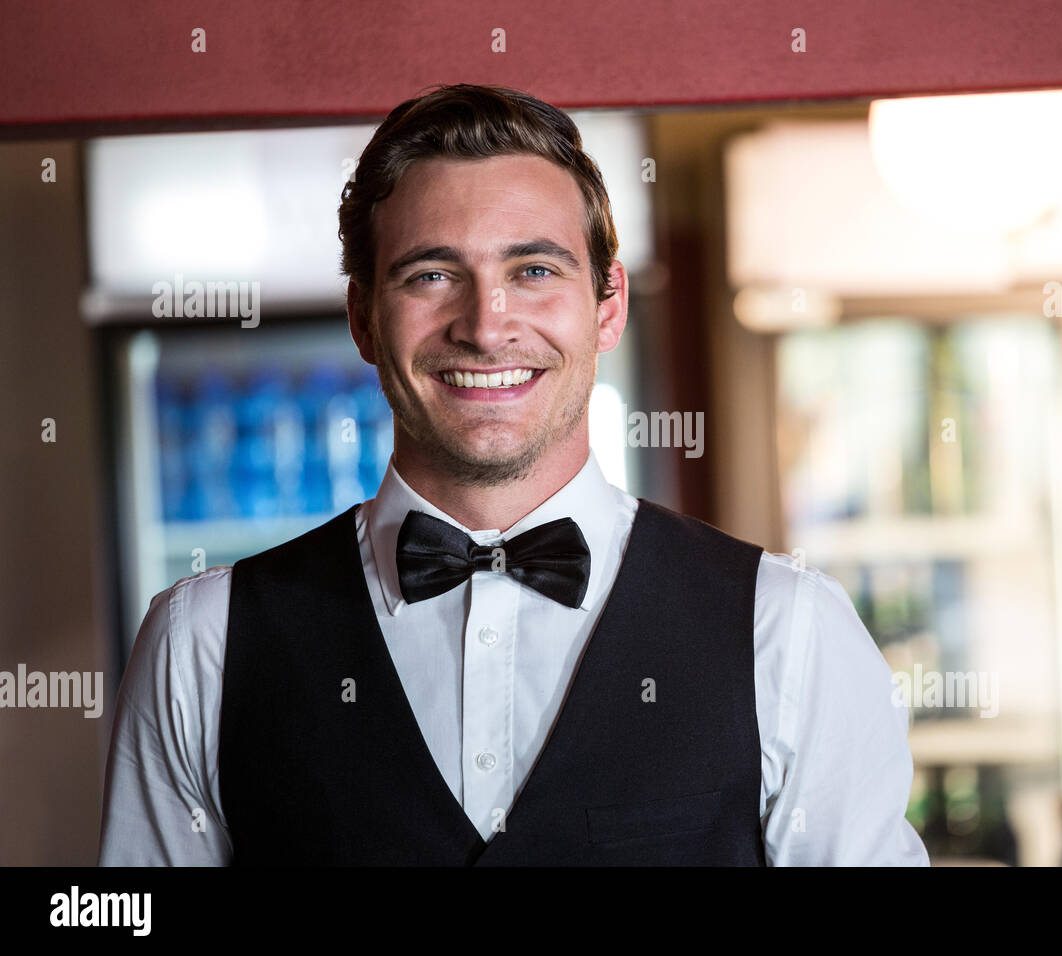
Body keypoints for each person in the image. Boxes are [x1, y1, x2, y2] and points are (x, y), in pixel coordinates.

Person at [98, 83, 929, 866]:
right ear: (362, 316)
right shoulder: (198, 645)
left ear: (608, 305)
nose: (486, 326)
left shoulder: (788, 631)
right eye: (432, 274)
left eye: (534, 271)